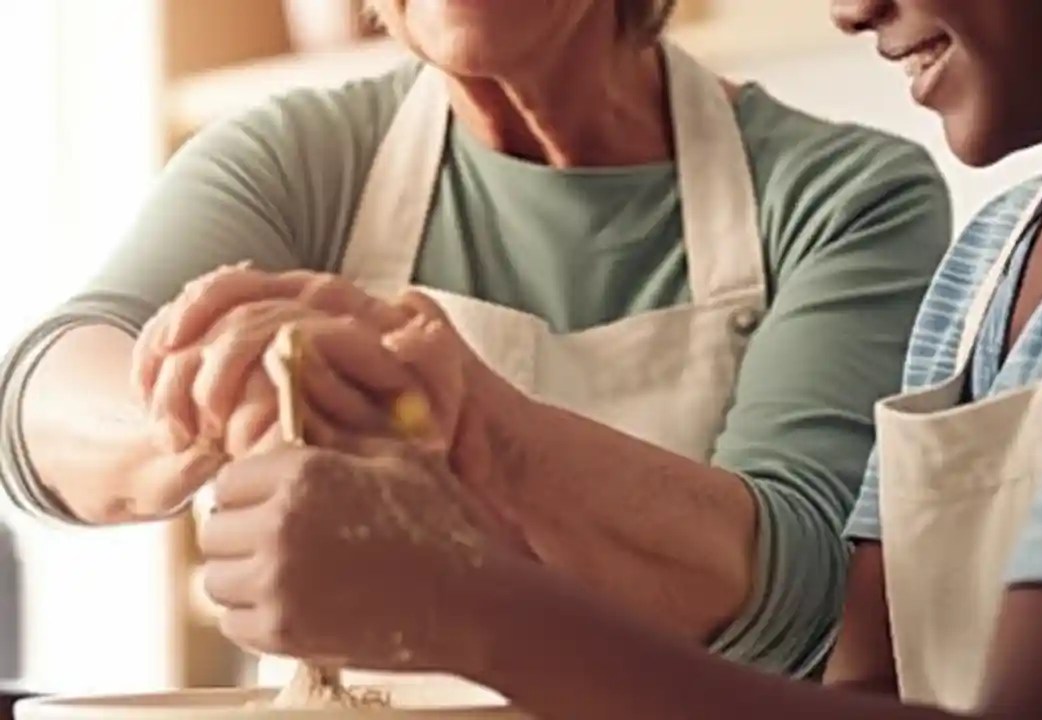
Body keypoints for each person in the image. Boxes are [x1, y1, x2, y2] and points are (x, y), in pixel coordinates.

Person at [197, 0, 1042, 717]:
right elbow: (863, 692)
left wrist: (464, 605)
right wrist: (484, 557)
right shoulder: (990, 256)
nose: (849, 6)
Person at [0, 0, 950, 688]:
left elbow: (801, 587)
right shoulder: (298, 159)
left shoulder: (845, 196)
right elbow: (37, 405)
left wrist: (476, 429)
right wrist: (206, 394)